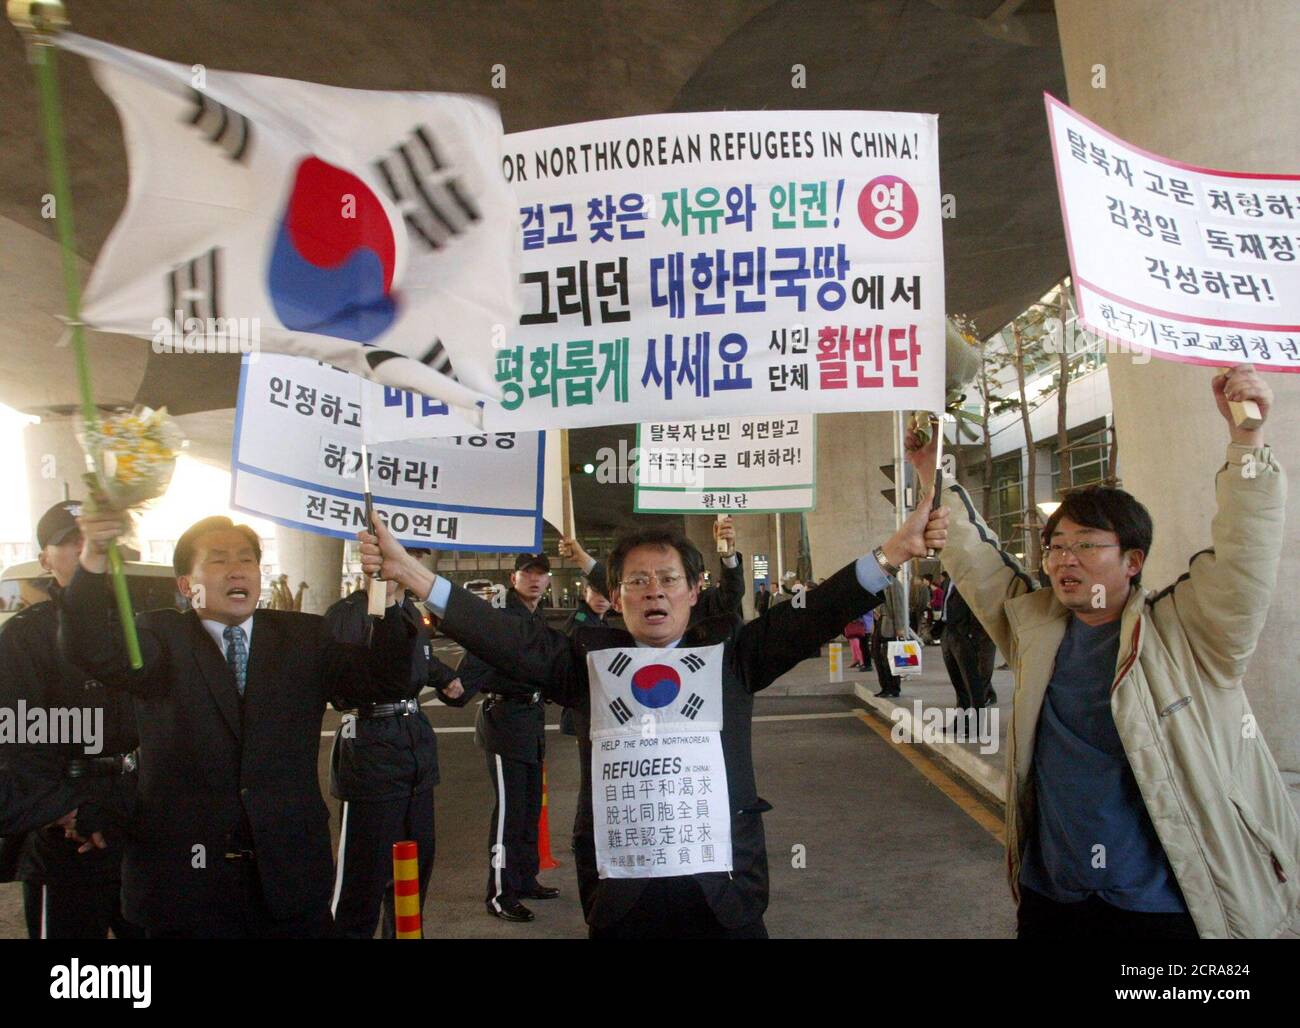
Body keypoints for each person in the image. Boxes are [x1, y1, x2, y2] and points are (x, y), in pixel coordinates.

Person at [360, 504, 948, 939]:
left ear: (695, 591)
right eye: (637, 581)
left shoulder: (733, 660)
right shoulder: (588, 666)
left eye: (668, 579)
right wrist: (412, 574)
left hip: (726, 894)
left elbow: (815, 613)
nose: (653, 592)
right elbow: (508, 639)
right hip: (624, 897)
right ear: (615, 598)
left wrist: (893, 552)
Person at [908, 363, 1299, 940]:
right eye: (1057, 546)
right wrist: (929, 474)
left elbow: (1246, 553)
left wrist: (1247, 440)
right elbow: (975, 560)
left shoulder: (1192, 636)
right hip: (1052, 895)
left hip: (1163, 906)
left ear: (1133, 560)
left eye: (1087, 545)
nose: (1066, 559)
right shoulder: (1036, 629)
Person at [58, 512, 414, 938]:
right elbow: (89, 646)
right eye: (218, 560)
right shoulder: (159, 637)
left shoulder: (304, 638)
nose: (236, 570)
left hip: (289, 880)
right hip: (185, 885)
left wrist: (388, 600)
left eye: (246, 560)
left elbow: (384, 680)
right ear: (187, 585)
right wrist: (95, 556)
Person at [0, 501, 142, 940]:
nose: (87, 550)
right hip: (63, 834)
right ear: (44, 560)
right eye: (71, 540)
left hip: (139, 820)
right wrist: (70, 809)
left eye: (96, 539)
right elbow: (17, 737)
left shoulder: (149, 628)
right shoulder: (22, 638)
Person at [324, 574, 464, 938]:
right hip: (371, 749)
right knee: (362, 881)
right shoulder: (349, 613)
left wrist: (445, 677)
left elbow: (420, 660)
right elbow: (343, 674)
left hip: (414, 747)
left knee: (413, 872)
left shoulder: (410, 612)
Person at [440, 553, 559, 924]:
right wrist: (456, 687)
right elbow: (478, 658)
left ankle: (524, 879)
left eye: (541, 574)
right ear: (514, 578)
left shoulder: (535, 616)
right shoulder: (502, 618)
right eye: (528, 574)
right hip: (505, 723)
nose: (535, 580)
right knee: (509, 812)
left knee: (527, 810)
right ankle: (499, 893)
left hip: (530, 721)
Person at [939, 580, 995, 711]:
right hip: (947, 633)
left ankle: (976, 724)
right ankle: (961, 720)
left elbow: (978, 609)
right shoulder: (948, 582)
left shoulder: (968, 579)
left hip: (964, 636)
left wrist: (972, 637)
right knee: (958, 682)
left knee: (972, 684)